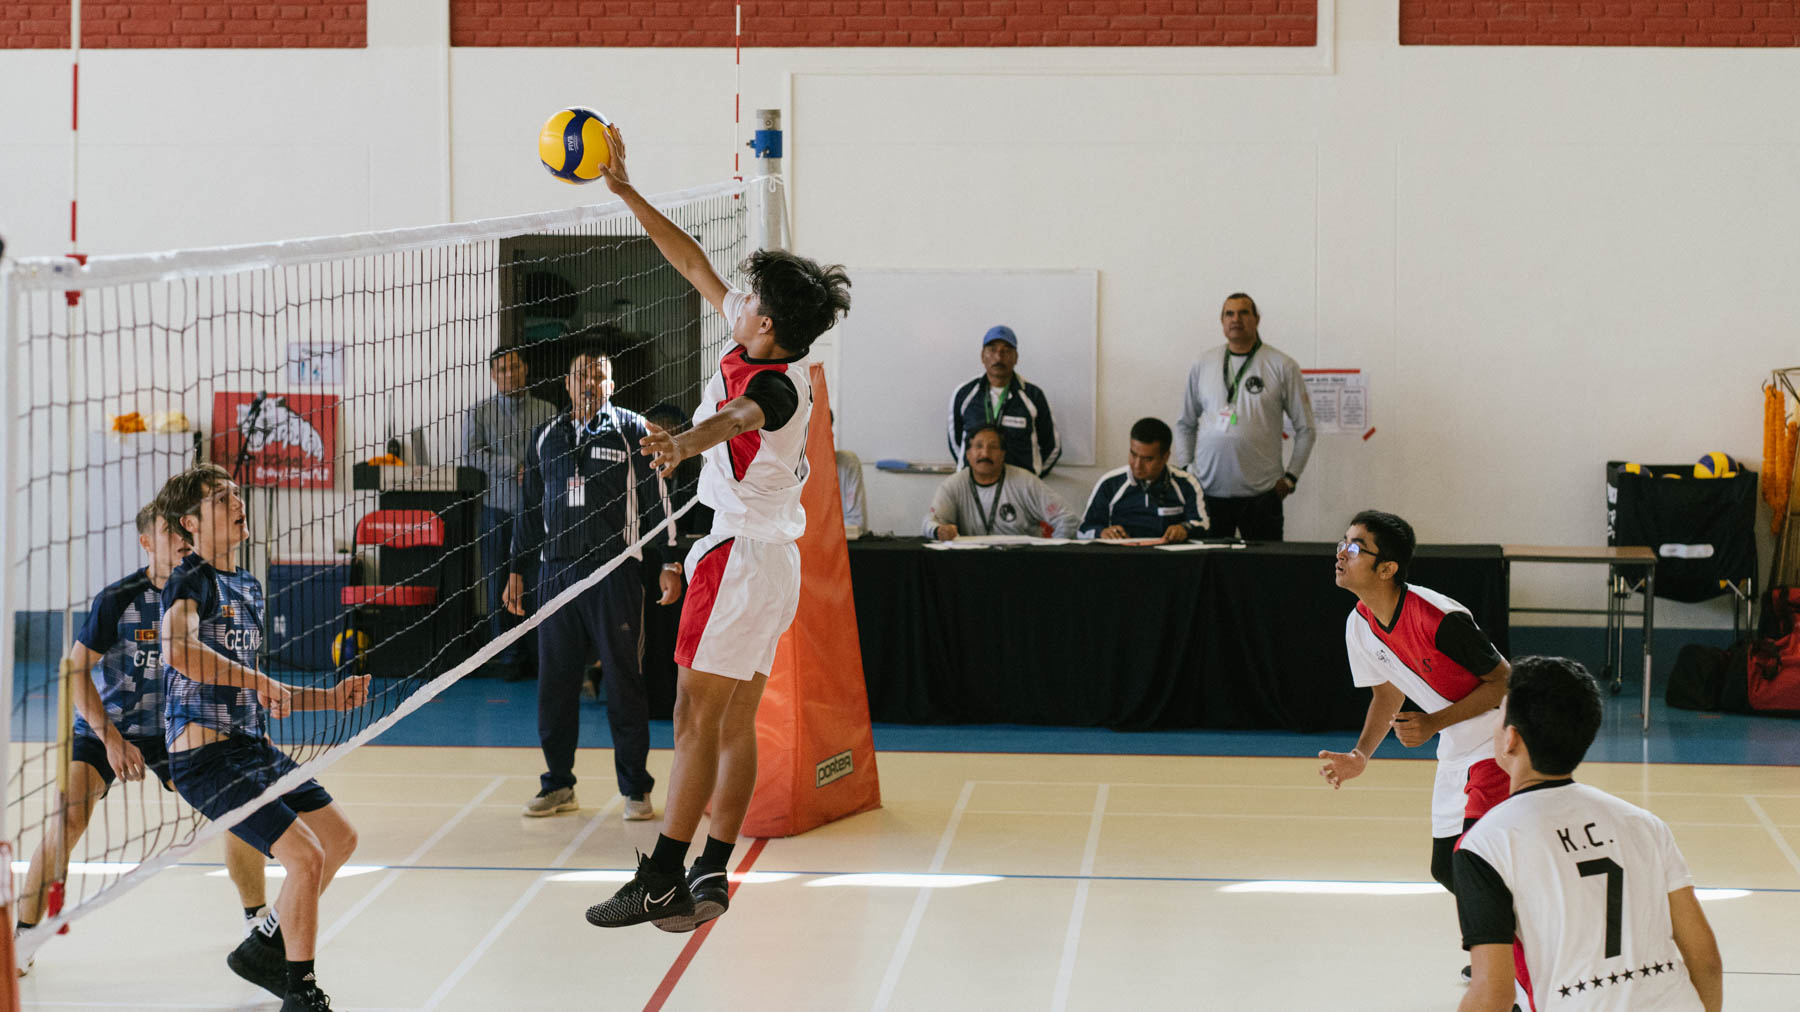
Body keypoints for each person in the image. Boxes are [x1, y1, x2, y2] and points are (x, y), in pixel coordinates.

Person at [581, 123, 851, 931]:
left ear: (767, 326)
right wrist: (626, 191)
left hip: (736, 558)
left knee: (696, 718)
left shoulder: (778, 387)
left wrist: (679, 442)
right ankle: (709, 870)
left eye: (753, 300)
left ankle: (662, 875)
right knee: (732, 721)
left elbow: (735, 417)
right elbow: (691, 258)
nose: (739, 299)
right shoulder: (767, 338)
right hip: (770, 563)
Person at [13, 504, 268, 976]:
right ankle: (24, 936)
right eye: (167, 530)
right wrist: (110, 740)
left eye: (184, 528)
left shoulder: (211, 587)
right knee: (68, 815)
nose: (180, 537)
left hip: (177, 727)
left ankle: (257, 921)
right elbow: (73, 670)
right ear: (146, 542)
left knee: (239, 809)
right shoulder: (120, 599)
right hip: (106, 725)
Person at [157, 464, 368, 1012]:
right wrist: (257, 680)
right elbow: (178, 652)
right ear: (191, 522)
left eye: (234, 491)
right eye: (219, 497)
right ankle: (300, 990)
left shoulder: (247, 584)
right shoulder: (190, 579)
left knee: (340, 839)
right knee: (306, 857)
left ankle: (263, 947)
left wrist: (332, 697)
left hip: (251, 746)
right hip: (206, 758)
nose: (236, 499)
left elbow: (261, 690)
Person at [1455, 656, 1723, 1012]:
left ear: (1511, 739)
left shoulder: (1485, 844)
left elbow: (1493, 994)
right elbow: (1705, 960)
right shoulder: (1643, 824)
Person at [1316, 509, 1511, 983]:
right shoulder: (1359, 623)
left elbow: (1503, 681)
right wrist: (1362, 754)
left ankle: (1508, 963)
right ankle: (1521, 944)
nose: (1342, 552)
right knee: (1446, 868)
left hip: (1498, 739)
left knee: (1477, 866)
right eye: (1344, 542)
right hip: (1455, 744)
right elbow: (1387, 692)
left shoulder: (1439, 618)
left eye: (1357, 547)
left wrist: (1433, 722)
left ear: (1388, 569)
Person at [506, 348, 682, 822]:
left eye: (600, 376)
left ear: (612, 383)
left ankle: (636, 790)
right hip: (556, 573)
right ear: (567, 382)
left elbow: (657, 496)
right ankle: (559, 784)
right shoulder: (546, 435)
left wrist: (671, 561)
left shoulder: (632, 429)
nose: (590, 383)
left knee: (625, 682)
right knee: (555, 684)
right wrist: (517, 569)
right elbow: (529, 508)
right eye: (583, 375)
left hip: (614, 571)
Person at [1173, 293, 1315, 540]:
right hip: (1208, 492)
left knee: (1264, 573)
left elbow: (1306, 429)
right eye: (1229, 313)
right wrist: (1187, 471)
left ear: (1257, 319)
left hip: (1262, 495)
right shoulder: (1203, 363)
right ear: (1222, 320)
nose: (1236, 319)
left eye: (1244, 313)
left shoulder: (1281, 365)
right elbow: (1185, 423)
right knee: (1211, 572)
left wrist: (1291, 477)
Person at [462, 345, 556, 681]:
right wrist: (510, 466)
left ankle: (536, 652)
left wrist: (531, 469)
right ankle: (506, 656)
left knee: (536, 581)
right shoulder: (479, 413)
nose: (509, 375)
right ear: (493, 375)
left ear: (525, 369)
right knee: (496, 582)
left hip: (536, 511)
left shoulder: (547, 410)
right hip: (495, 508)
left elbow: (555, 451)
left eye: (514, 368)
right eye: (501, 370)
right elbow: (470, 455)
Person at [924, 424, 1076, 539]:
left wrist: (1051, 554)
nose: (985, 453)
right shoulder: (953, 485)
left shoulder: (1025, 482)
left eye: (993, 447)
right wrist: (938, 531)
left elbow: (1068, 519)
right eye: (978, 446)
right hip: (970, 565)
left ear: (1003, 454)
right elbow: (929, 523)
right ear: (968, 454)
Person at [946, 324, 1060, 476]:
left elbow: (1052, 448)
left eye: (1006, 351)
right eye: (992, 350)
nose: (999, 357)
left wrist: (1032, 479)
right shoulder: (964, 394)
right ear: (982, 356)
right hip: (974, 489)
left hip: (1020, 493)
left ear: (1016, 357)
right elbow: (956, 444)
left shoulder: (1033, 396)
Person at [1076, 417, 1208, 542]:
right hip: (1122, 559)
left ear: (1165, 457)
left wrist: (1184, 529)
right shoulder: (1110, 483)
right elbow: (1082, 531)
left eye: (1148, 459)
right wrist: (1102, 532)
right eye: (1133, 455)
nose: (1137, 465)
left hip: (1168, 561)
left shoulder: (1186, 483)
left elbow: (1204, 525)